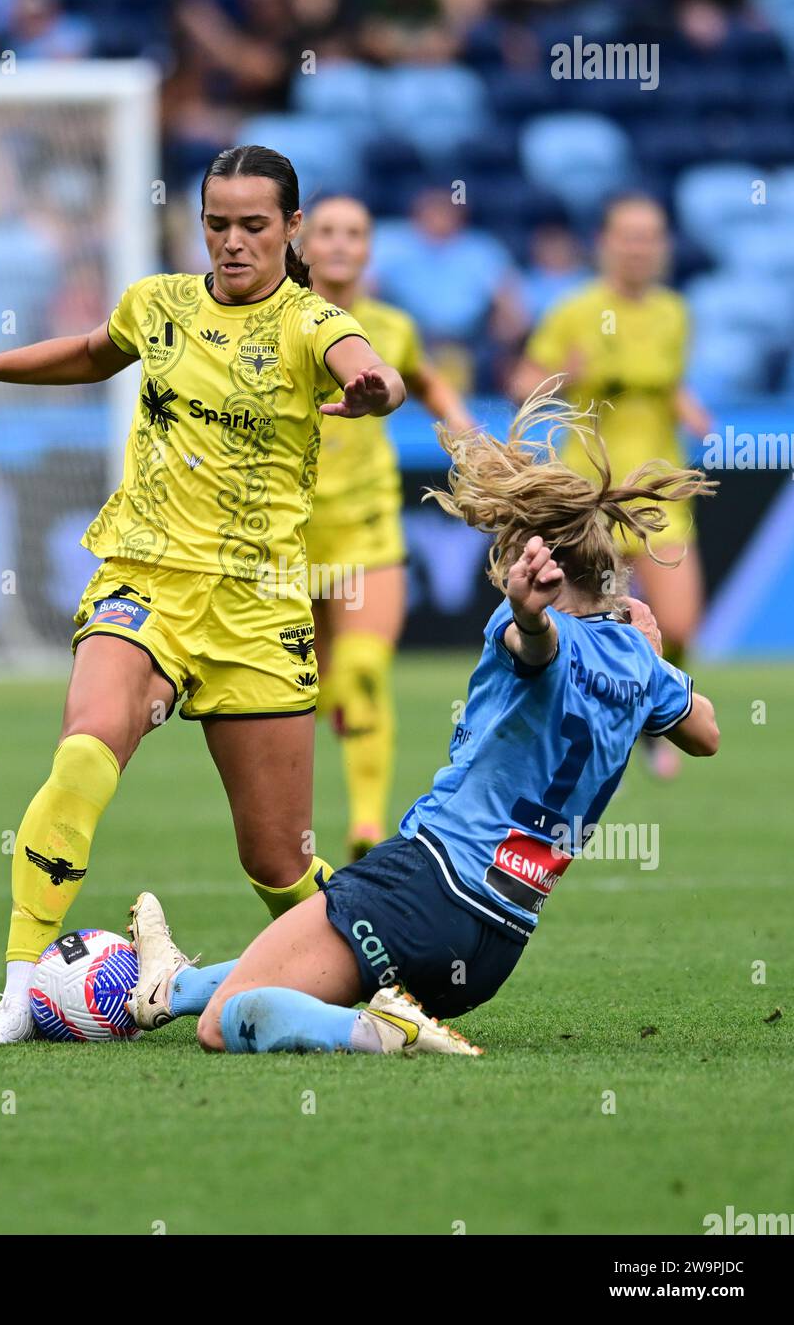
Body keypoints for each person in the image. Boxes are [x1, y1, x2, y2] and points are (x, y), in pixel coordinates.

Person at [0, 145, 405, 1046]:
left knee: (278, 862)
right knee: (86, 748)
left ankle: (389, 968)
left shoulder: (310, 322)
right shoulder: (161, 304)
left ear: (291, 229)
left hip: (257, 610)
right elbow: (96, 352)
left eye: (255, 226)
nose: (232, 242)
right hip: (145, 578)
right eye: (217, 223)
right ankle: (22, 990)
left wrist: (376, 389)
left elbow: (365, 364)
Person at [121, 385, 719, 1056]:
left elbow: (538, 649)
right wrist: (655, 662)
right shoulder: (639, 664)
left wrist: (528, 614)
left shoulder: (526, 627)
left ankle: (374, 1030)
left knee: (224, 1024)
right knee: (305, 971)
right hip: (494, 942)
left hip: (427, 882)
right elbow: (705, 734)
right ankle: (170, 988)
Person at [510, 194, 714, 779]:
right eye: (628, 235)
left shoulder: (675, 313)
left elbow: (666, 383)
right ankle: (580, 738)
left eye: (651, 235)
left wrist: (690, 408)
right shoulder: (575, 310)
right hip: (590, 497)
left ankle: (655, 716)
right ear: (604, 243)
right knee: (584, 628)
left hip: (658, 494)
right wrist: (563, 378)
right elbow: (525, 380)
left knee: (676, 625)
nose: (640, 247)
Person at [299, 195, 470, 860]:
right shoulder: (280, 321)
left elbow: (426, 383)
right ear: (303, 243)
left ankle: (368, 827)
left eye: (355, 232)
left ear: (370, 248)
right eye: (327, 232)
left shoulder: (392, 328)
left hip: (367, 526)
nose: (341, 244)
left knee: (364, 666)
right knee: (303, 690)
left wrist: (463, 428)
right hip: (288, 534)